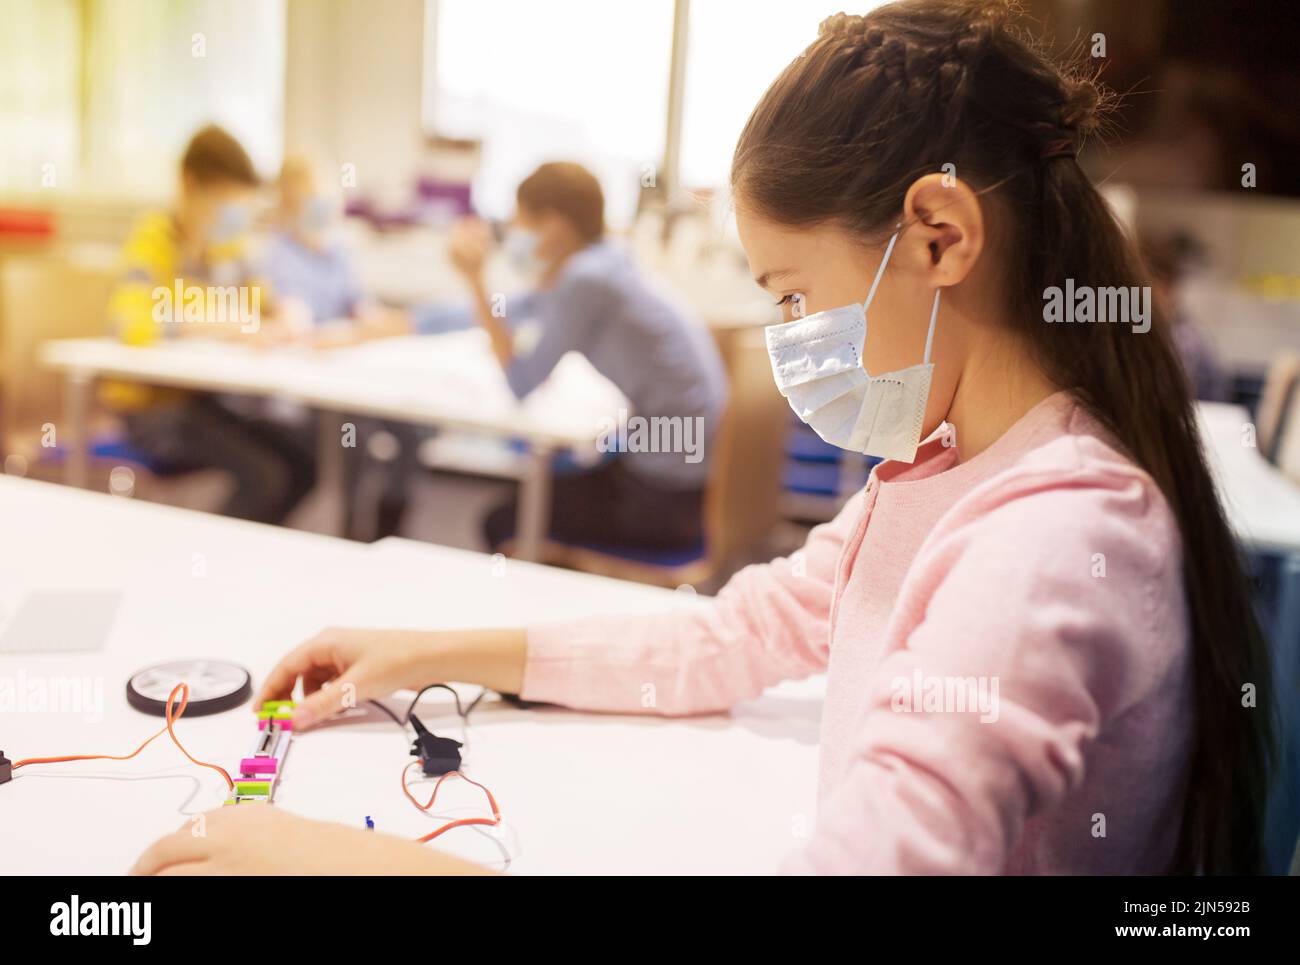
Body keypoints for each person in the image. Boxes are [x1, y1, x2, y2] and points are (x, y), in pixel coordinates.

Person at [133, 0, 1272, 875]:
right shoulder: (935, 471)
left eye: (792, 294)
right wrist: (426, 649)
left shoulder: (1053, 539)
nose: (788, 336)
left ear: (937, 236)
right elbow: (730, 638)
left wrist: (356, 858)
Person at [448, 162, 728, 555]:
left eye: (520, 225)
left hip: (661, 500)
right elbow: (519, 307)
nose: (513, 237)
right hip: (682, 480)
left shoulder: (585, 280)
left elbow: (521, 383)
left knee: (504, 518)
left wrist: (475, 279)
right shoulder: (606, 262)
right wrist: (406, 321)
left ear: (554, 227)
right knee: (542, 486)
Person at [105, 125, 315, 525]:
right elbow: (127, 322)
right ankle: (212, 566)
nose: (229, 216)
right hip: (155, 413)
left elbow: (263, 298)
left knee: (306, 460)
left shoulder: (224, 248)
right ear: (189, 185)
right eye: (221, 203)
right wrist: (217, 322)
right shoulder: (153, 240)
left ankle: (252, 560)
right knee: (266, 477)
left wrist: (286, 312)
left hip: (206, 402)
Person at [264, 155, 419, 541]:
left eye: (326, 198)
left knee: (414, 428)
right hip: (308, 390)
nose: (322, 208)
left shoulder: (338, 251)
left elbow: (359, 305)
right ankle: (349, 532)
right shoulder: (273, 256)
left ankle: (390, 527)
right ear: (289, 204)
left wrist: (379, 321)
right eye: (310, 199)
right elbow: (291, 316)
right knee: (356, 437)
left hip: (353, 374)